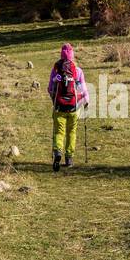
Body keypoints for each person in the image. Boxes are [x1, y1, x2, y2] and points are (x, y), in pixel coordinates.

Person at [48, 43, 89, 172]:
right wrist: (85, 101)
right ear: (72, 56)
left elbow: (50, 88)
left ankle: (58, 152)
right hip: (73, 107)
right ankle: (69, 158)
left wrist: (54, 100)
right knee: (72, 132)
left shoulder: (56, 69)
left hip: (59, 107)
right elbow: (83, 90)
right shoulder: (78, 70)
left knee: (59, 132)